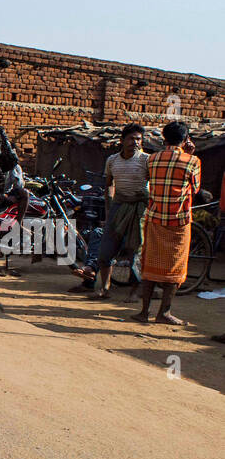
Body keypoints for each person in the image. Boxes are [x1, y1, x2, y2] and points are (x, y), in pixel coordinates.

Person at [132, 121, 200, 325]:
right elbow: (195, 188)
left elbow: (147, 181)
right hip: (178, 221)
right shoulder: (193, 161)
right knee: (175, 268)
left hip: (154, 218)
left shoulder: (152, 159)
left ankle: (144, 312)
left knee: (150, 264)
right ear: (185, 138)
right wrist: (190, 153)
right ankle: (164, 312)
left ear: (164, 138)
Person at [76, 124, 149, 299]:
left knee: (135, 250)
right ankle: (105, 289)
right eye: (131, 138)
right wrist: (110, 210)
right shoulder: (112, 161)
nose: (135, 142)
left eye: (138, 139)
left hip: (139, 208)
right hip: (119, 205)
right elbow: (109, 184)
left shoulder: (146, 160)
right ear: (122, 140)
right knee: (105, 251)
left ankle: (134, 292)